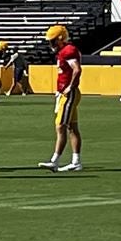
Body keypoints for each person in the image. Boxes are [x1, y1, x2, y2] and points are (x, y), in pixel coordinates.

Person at [38, 25, 83, 172]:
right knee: (72, 127)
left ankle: (55, 160)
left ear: (60, 39)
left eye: (52, 41)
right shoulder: (64, 51)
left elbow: (77, 69)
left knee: (60, 125)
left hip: (68, 93)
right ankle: (76, 161)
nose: (50, 44)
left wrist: (70, 86)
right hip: (67, 92)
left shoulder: (68, 50)